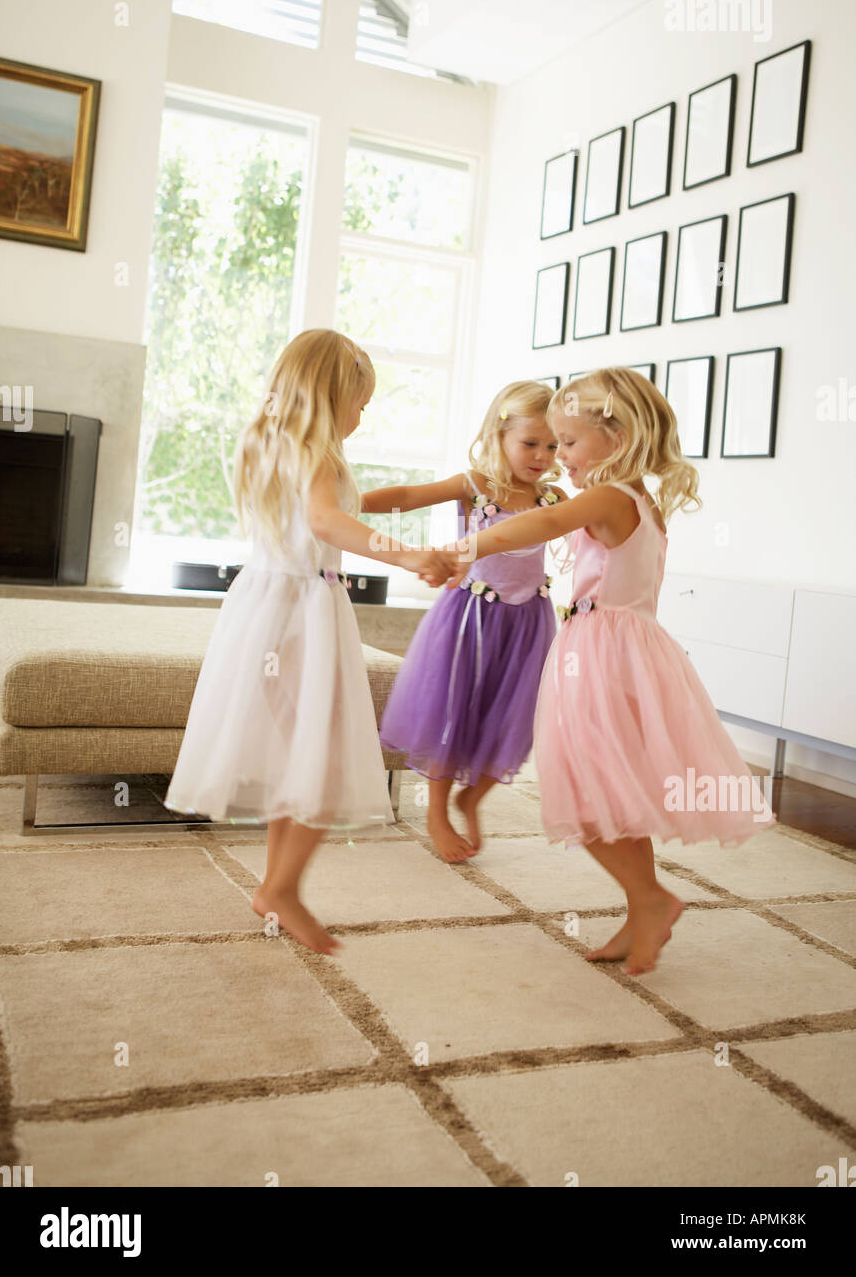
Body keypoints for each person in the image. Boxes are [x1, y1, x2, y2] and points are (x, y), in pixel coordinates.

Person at [427, 367, 776, 974]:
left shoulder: (608, 496)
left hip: (602, 655)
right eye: (553, 442)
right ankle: (643, 906)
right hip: (627, 651)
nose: (558, 455)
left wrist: (464, 548)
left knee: (584, 794)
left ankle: (650, 898)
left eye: (568, 442)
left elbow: (538, 523)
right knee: (610, 792)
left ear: (618, 437)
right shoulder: (639, 498)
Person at [164, 329, 441, 955]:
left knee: (299, 751)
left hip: (264, 604)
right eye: (360, 403)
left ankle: (276, 884)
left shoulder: (268, 443)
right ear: (331, 393)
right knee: (329, 757)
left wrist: (444, 490)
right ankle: (282, 889)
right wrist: (412, 555)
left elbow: (347, 505)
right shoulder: (320, 453)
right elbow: (327, 521)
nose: (362, 418)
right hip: (305, 609)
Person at [371, 380, 565, 862]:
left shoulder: (554, 498)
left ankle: (471, 796)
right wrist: (344, 500)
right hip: (470, 619)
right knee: (452, 713)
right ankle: (436, 813)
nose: (541, 455)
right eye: (530, 443)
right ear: (499, 435)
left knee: (512, 719)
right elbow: (410, 494)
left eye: (553, 445)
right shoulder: (476, 487)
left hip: (528, 624)